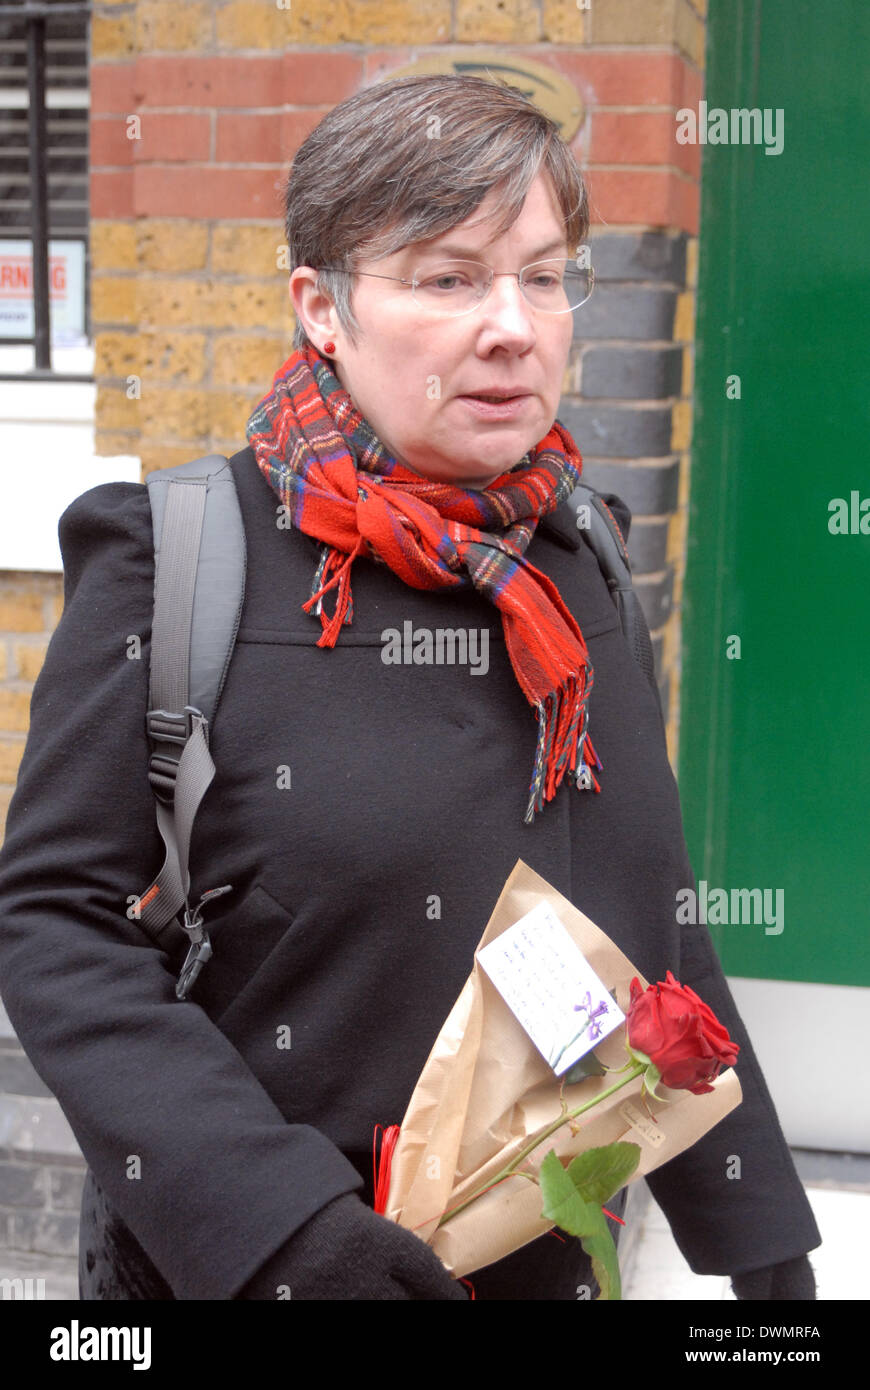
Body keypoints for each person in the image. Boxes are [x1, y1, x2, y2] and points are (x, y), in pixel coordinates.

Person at [0, 74, 820, 1301]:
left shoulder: (580, 557)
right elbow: (55, 926)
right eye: (448, 277)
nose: (514, 325)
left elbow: (648, 919)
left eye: (544, 275)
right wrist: (282, 1231)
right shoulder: (179, 559)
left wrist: (763, 1250)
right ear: (319, 310)